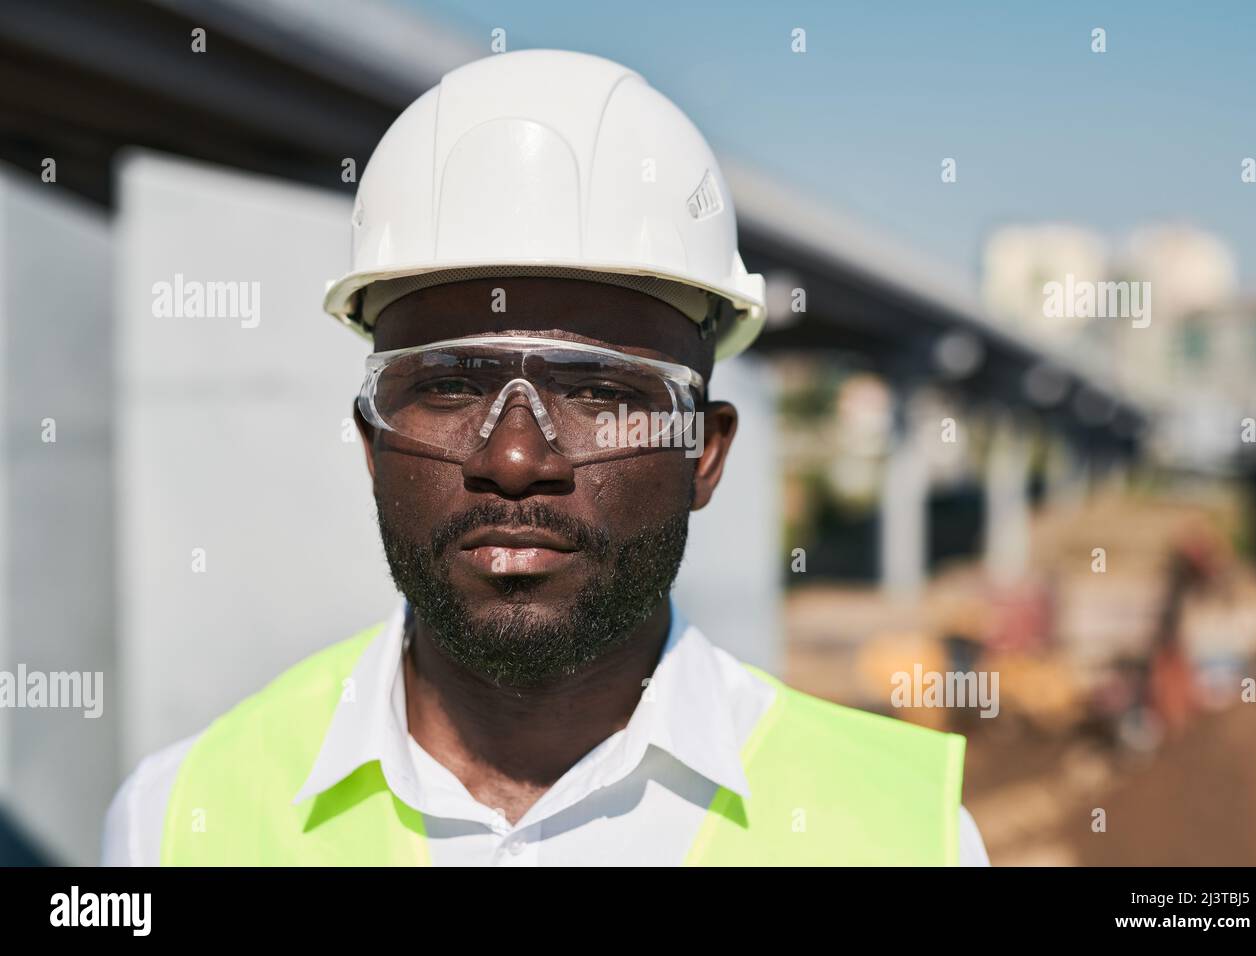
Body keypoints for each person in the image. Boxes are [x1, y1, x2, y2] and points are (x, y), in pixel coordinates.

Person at [102, 49, 989, 866]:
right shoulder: (179, 820)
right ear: (373, 445)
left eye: (601, 394)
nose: (517, 456)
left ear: (705, 454)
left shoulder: (908, 836)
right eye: (449, 386)